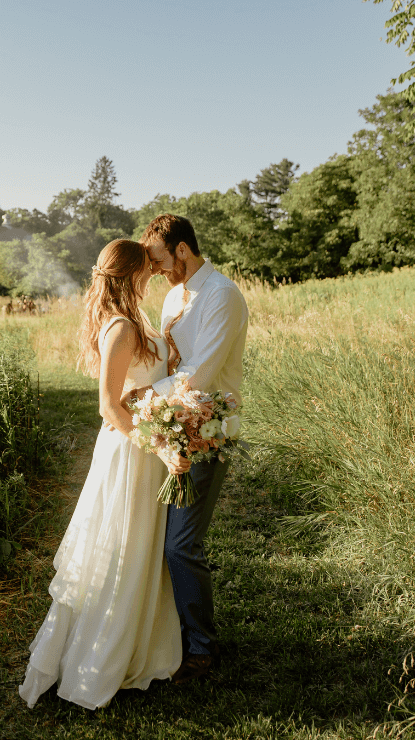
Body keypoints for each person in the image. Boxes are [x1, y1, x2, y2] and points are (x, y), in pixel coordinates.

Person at [19, 238, 189, 710]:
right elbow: (109, 406)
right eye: (148, 269)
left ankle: (143, 643)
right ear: (132, 273)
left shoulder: (138, 320)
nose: (155, 272)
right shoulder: (119, 327)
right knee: (121, 547)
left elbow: (144, 384)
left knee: (143, 548)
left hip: (147, 445)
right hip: (130, 452)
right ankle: (101, 656)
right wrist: (159, 442)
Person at [137, 214, 249, 685]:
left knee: (182, 545)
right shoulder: (172, 297)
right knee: (163, 540)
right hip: (171, 426)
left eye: (162, 261)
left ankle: (202, 651)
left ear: (182, 249)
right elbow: (170, 358)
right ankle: (172, 638)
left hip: (209, 427)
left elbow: (200, 374)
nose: (160, 271)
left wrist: (142, 398)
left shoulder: (222, 295)